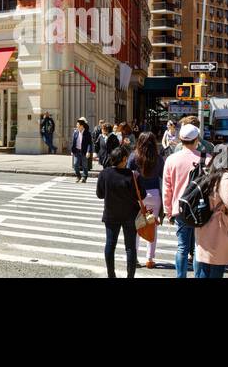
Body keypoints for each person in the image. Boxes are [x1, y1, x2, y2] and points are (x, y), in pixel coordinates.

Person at [162, 121, 204, 279]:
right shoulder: (205, 159)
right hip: (201, 210)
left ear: (180, 139)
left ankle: (181, 276)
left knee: (182, 247)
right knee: (199, 247)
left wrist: (167, 211)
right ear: (196, 139)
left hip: (179, 208)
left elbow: (167, 189)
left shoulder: (171, 160)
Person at [194, 144, 228, 278]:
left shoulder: (207, 171)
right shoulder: (226, 176)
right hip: (218, 226)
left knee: (205, 264)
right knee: (216, 265)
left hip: (204, 221)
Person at [95, 142, 140, 278]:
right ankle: (130, 276)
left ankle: (111, 274)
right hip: (130, 215)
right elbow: (141, 194)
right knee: (130, 247)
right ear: (124, 159)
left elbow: (100, 194)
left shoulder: (104, 174)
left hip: (111, 214)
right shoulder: (131, 175)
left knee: (110, 244)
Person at [127, 132, 163, 268]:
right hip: (154, 194)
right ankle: (150, 259)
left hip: (138, 196)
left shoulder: (134, 156)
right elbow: (163, 176)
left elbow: (127, 174)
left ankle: (134, 258)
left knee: (137, 226)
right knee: (151, 226)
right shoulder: (158, 159)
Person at [70, 118, 93, 182]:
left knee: (84, 165)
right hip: (77, 151)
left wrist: (88, 151)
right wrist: (72, 150)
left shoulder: (87, 133)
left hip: (84, 151)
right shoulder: (75, 132)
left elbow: (90, 143)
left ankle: (84, 177)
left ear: (82, 126)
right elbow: (73, 142)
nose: (76, 126)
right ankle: (78, 176)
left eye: (78, 124)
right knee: (75, 164)